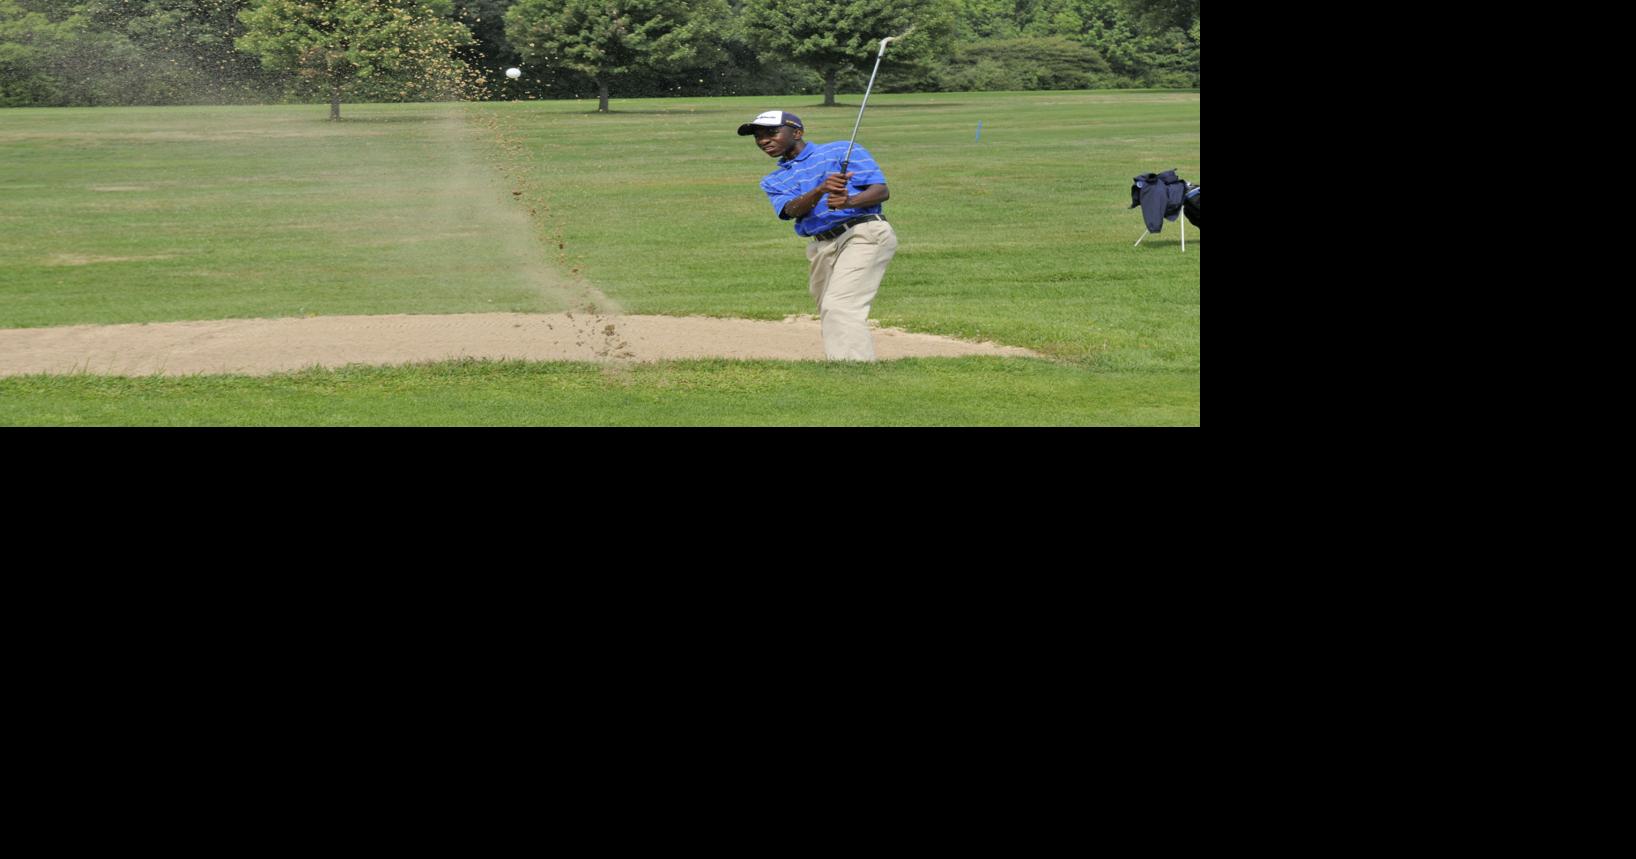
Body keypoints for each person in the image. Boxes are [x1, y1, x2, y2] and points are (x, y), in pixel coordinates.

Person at [738, 110, 898, 361]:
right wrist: (821, 189)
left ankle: (854, 369)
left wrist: (849, 201)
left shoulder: (842, 150)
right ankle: (841, 364)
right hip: (822, 244)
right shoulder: (774, 180)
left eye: (772, 133)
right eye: (758, 137)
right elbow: (790, 210)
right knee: (829, 307)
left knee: (840, 305)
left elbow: (881, 190)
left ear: (797, 133)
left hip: (862, 232)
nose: (763, 141)